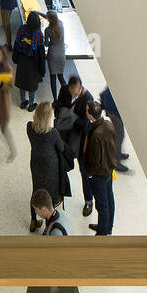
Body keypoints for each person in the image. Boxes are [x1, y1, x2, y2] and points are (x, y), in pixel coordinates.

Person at [55, 75, 95, 204]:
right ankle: (60, 193)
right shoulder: (64, 89)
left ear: (80, 87)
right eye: (71, 89)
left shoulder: (88, 99)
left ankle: (88, 201)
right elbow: (58, 105)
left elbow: (85, 124)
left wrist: (70, 117)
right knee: (60, 164)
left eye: (75, 89)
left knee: (83, 170)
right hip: (63, 134)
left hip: (80, 139)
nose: (72, 92)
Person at [82, 100, 118, 235]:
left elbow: (94, 159)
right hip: (109, 169)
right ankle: (107, 226)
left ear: (90, 115)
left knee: (102, 205)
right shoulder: (108, 124)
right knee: (109, 199)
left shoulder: (95, 134)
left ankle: (102, 233)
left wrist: (90, 174)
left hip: (99, 175)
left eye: (87, 111)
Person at [12, 10, 47, 111]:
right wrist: (42, 69)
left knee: (22, 82)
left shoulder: (21, 29)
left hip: (22, 60)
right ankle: (31, 104)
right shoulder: (39, 34)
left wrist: (15, 58)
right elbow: (41, 53)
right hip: (33, 63)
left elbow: (17, 43)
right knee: (32, 85)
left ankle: (23, 102)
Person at [99, 85, 132, 174]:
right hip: (114, 112)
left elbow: (102, 94)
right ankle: (116, 161)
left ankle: (118, 154)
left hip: (113, 111)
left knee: (119, 135)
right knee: (119, 135)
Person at [44, 10, 67, 102]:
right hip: (61, 54)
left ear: (49, 20)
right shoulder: (61, 24)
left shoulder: (48, 30)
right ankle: (67, 95)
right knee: (61, 77)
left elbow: (46, 44)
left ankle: (55, 99)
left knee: (53, 78)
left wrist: (49, 41)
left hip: (52, 55)